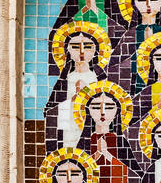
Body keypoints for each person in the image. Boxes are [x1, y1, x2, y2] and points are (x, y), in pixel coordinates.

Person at [74, 79, 140, 183]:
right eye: (96, 107)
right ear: (88, 110)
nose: (102, 112)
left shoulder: (120, 142)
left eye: (109, 107)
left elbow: (136, 176)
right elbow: (76, 171)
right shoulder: (85, 142)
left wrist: (108, 156)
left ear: (117, 111)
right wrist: (96, 156)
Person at [44, 21, 111, 151]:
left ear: (96, 50)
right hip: (68, 130)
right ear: (67, 50)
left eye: (87, 46)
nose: (81, 51)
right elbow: (50, 111)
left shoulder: (100, 79)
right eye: (75, 46)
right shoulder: (65, 79)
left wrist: (87, 96)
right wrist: (73, 100)